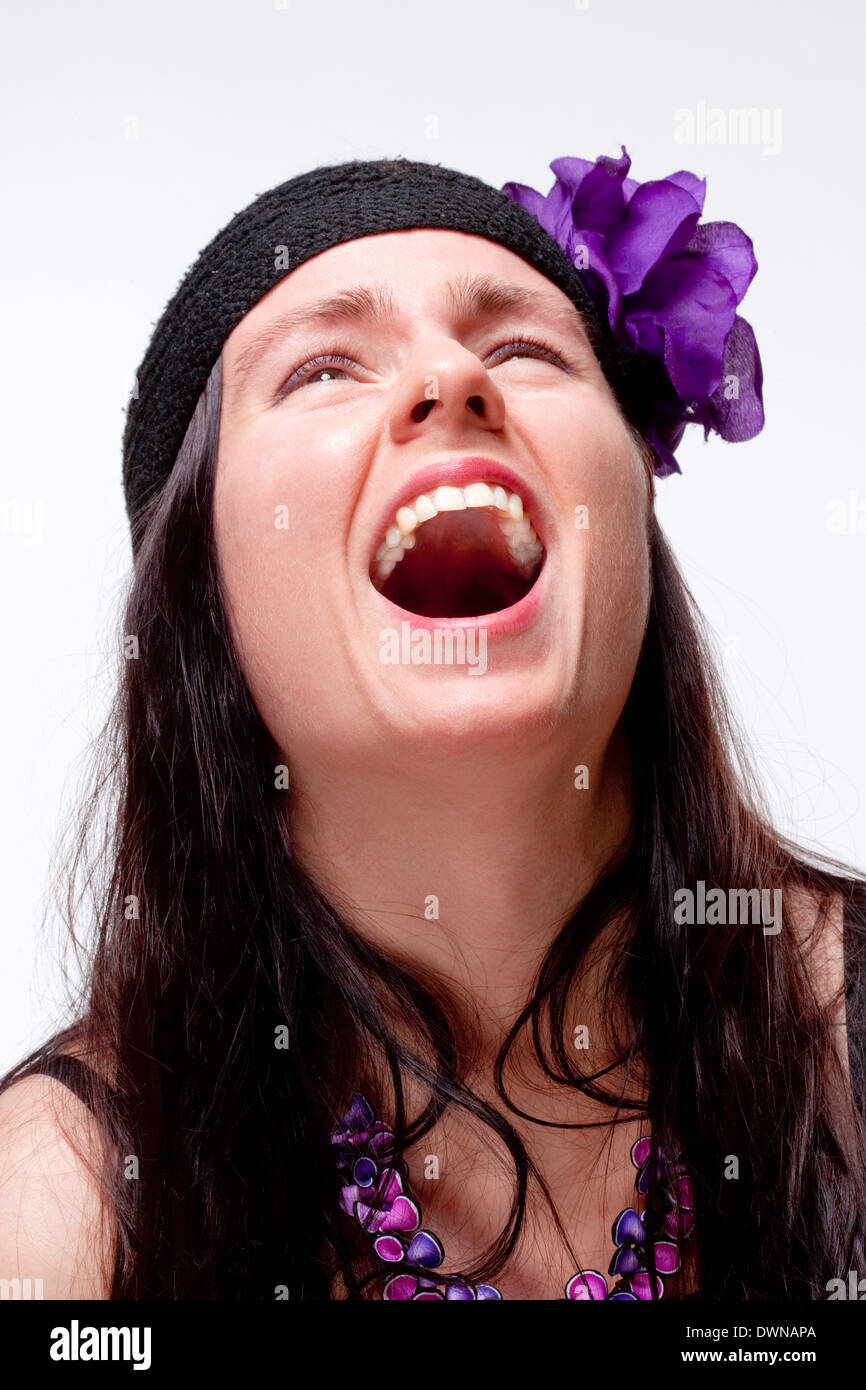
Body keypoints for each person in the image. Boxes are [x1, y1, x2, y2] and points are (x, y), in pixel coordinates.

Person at [1, 151, 864, 1302]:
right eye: (321, 369)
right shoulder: (53, 1216)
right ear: (199, 595)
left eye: (522, 348)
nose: (452, 378)